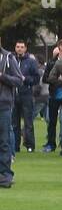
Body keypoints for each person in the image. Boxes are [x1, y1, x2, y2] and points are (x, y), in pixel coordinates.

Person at [0, 36, 24, 188]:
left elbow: (19, 80)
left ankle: (5, 175)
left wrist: (2, 77)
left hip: (3, 105)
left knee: (4, 141)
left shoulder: (8, 58)